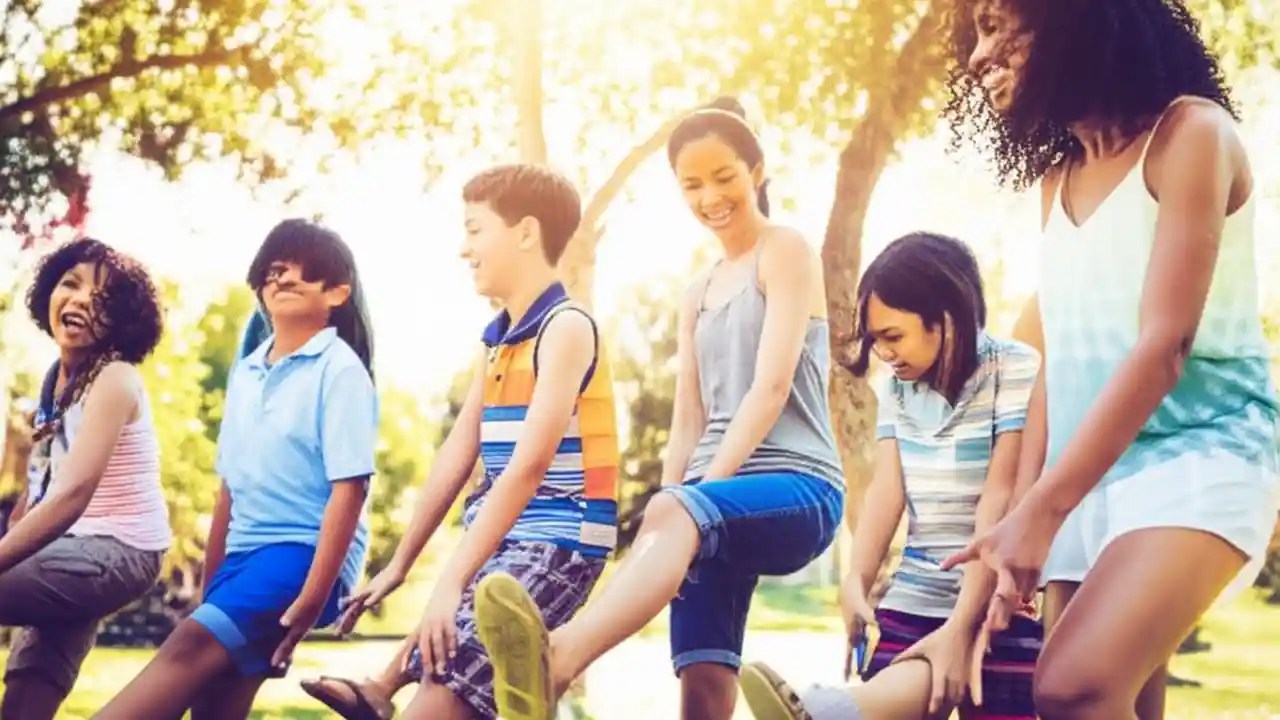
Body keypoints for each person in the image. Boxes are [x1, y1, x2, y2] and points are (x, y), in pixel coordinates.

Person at [941, 2, 1280, 719]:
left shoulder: (1192, 134)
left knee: (1074, 686)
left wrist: (1042, 508)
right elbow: (1052, 374)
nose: (977, 57)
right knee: (1109, 701)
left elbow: (1165, 346)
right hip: (1087, 480)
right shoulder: (1056, 184)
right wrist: (1027, 509)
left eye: (996, 25)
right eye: (974, 34)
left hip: (1203, 452)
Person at [471, 99, 846, 720]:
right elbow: (687, 420)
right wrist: (672, 512)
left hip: (797, 488)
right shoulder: (696, 293)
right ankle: (556, 668)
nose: (710, 197)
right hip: (707, 507)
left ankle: (557, 662)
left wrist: (693, 504)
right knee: (701, 687)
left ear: (756, 172)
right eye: (692, 185)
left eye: (724, 177)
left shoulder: (786, 251)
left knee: (674, 507)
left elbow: (771, 386)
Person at [299, 163, 620, 720]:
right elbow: (458, 453)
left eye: (475, 230)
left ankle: (386, 687)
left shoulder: (565, 327)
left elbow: (528, 467)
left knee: (443, 692)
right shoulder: (496, 342)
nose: (464, 249)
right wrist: (401, 563)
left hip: (560, 542)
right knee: (443, 666)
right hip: (510, 541)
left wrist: (451, 581)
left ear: (524, 232)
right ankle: (381, 688)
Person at [736, 233, 1042, 720]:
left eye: (893, 336)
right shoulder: (898, 391)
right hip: (915, 595)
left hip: (998, 602)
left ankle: (826, 711)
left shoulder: (1016, 368)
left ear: (946, 318)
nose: (883, 353)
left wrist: (962, 623)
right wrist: (855, 581)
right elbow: (886, 490)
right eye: (875, 340)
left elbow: (1000, 496)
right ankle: (830, 712)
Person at [96, 219, 379, 719]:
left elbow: (350, 490)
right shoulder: (247, 373)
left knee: (186, 649)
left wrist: (314, 597)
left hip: (301, 554)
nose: (285, 278)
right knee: (214, 706)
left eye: (305, 272)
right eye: (274, 270)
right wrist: (213, 589)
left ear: (337, 292)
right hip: (243, 560)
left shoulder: (341, 370)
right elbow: (229, 489)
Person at [0, 238, 170, 720]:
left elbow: (74, 493)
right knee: (31, 686)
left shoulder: (115, 377)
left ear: (122, 320)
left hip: (119, 550)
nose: (78, 300)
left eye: (100, 297)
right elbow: (44, 484)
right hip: (74, 544)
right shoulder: (57, 381)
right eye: (69, 284)